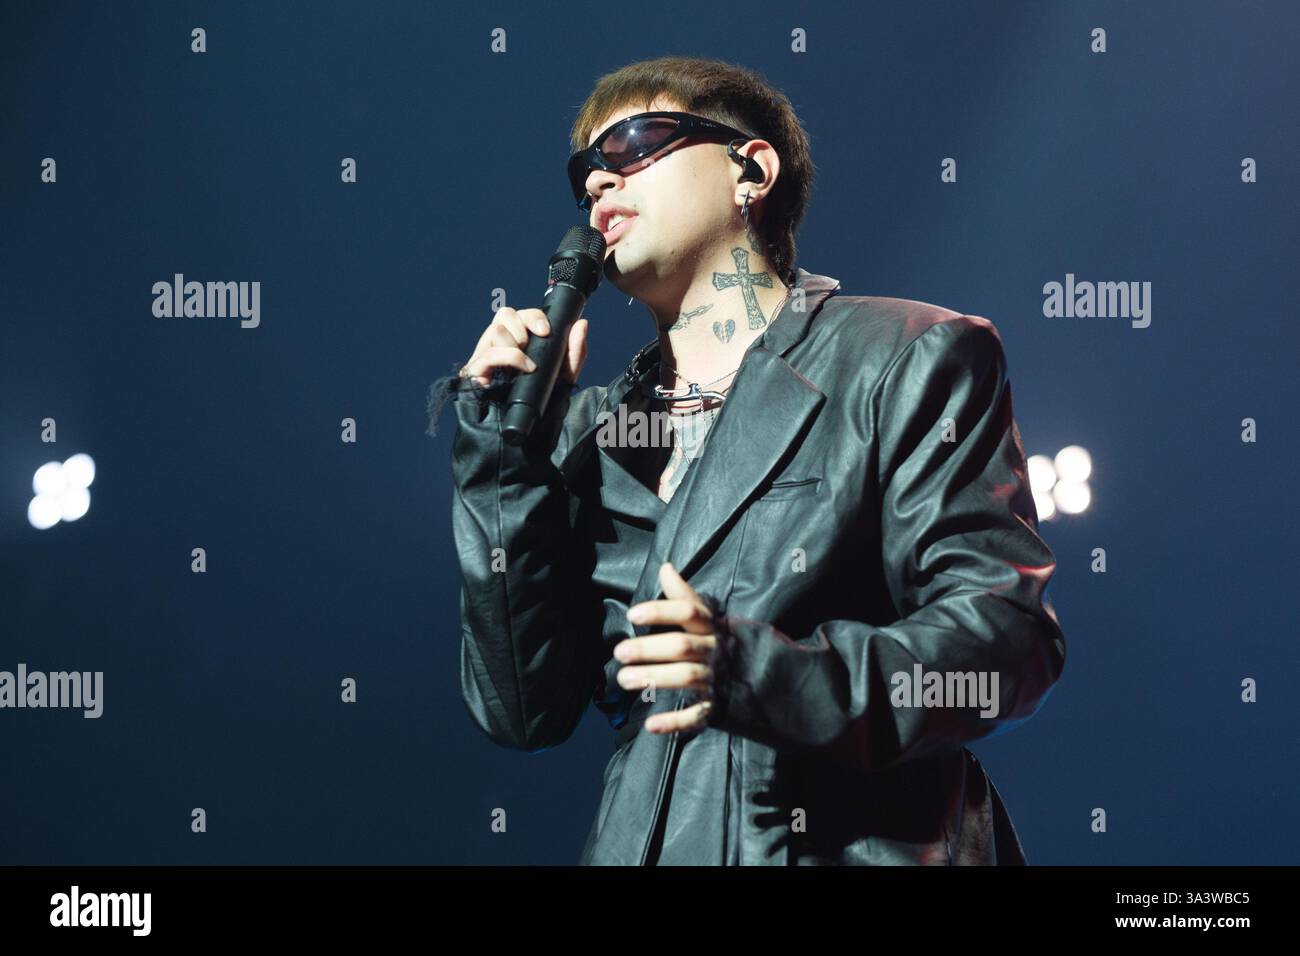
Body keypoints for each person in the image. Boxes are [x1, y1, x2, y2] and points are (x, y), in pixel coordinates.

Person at [428, 55, 1066, 865]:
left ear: (750, 169)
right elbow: (522, 710)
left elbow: (1006, 640)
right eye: (584, 170)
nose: (598, 181)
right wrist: (497, 457)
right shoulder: (589, 431)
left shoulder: (902, 356)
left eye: (633, 142)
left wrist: (764, 672)